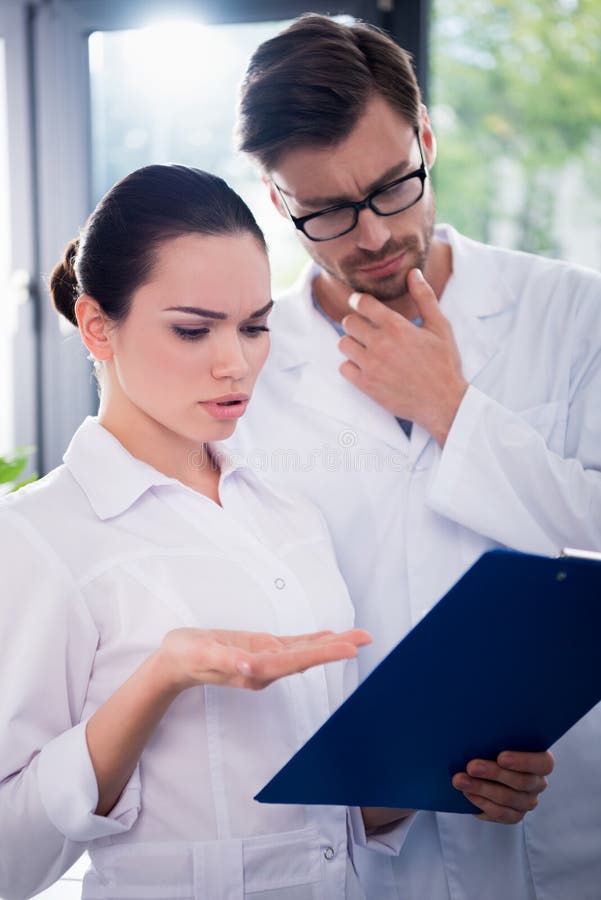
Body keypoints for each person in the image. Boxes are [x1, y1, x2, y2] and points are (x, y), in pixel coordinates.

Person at [229, 14, 601, 900]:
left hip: (557, 826)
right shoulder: (245, 362)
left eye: (393, 186)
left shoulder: (570, 313)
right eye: (325, 210)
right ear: (279, 201)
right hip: (356, 839)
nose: (368, 237)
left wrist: (452, 409)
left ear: (425, 138)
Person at [0, 164, 382, 900]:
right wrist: (159, 678)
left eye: (255, 326)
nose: (234, 362)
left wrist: (443, 777)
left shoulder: (290, 517)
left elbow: (324, 821)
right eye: (192, 328)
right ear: (96, 324)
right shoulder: (35, 541)